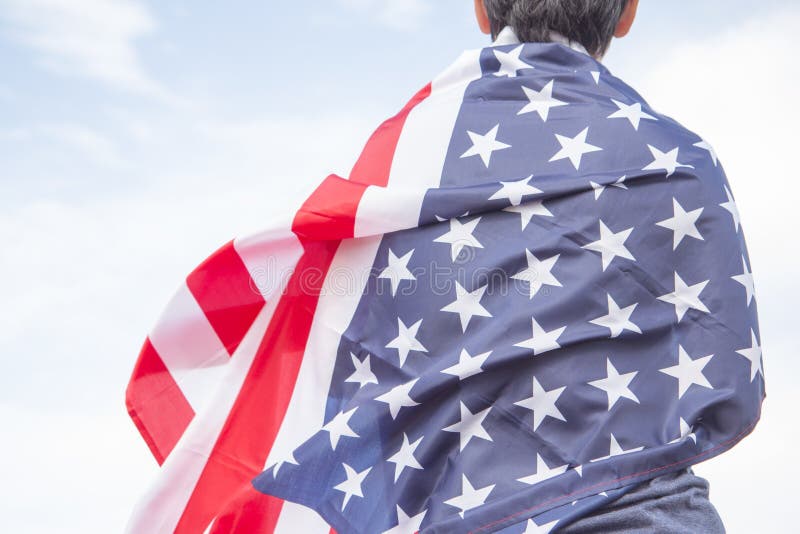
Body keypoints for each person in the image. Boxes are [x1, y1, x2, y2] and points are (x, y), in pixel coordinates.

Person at [126, 1, 764, 532]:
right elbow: (735, 388)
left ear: (482, 8)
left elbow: (358, 346)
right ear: (627, 13)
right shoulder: (680, 162)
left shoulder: (408, 163)